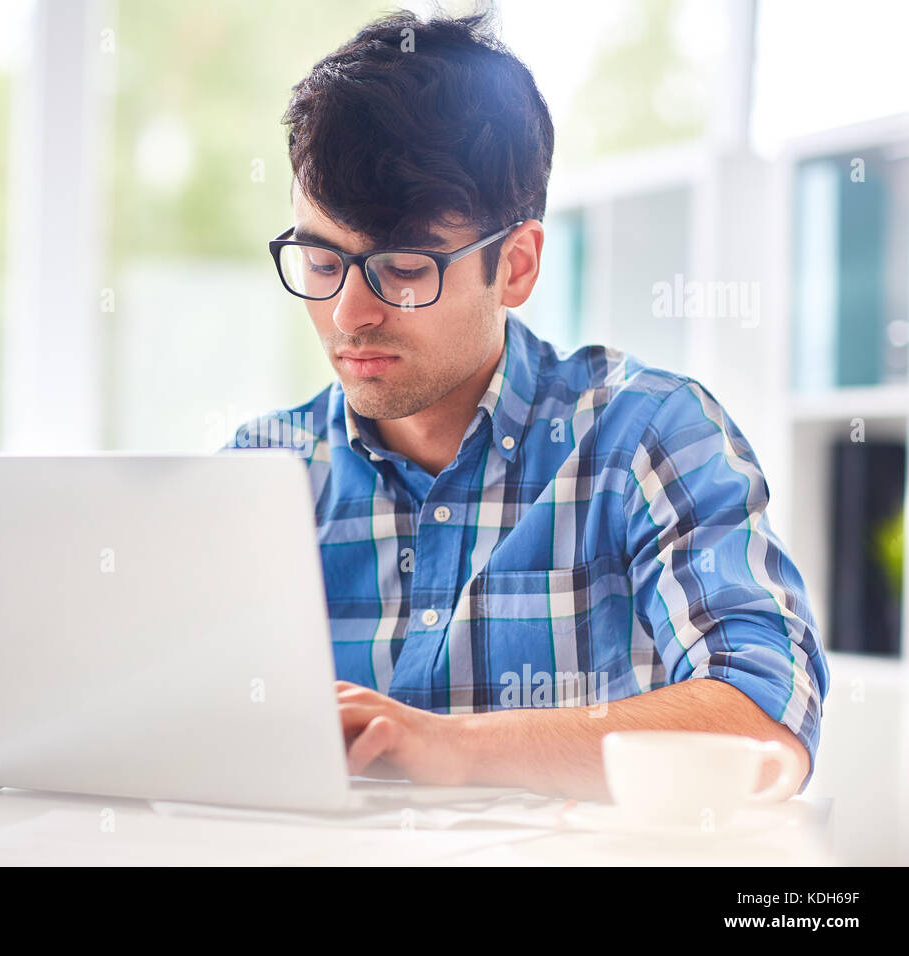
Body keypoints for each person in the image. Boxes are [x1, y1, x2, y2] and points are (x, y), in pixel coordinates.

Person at [228, 8, 828, 801]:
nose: (348, 314)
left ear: (515, 265)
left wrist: (453, 747)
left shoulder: (646, 436)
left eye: (403, 269)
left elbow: (765, 723)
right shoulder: (263, 472)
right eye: (320, 259)